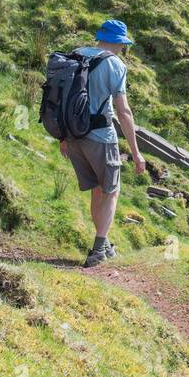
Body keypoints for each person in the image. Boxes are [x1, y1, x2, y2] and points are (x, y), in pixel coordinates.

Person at [59, 19, 146, 267]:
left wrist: (63, 137)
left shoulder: (76, 54)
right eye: (123, 44)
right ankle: (98, 250)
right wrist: (137, 153)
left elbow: (63, 97)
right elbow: (124, 112)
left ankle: (104, 244)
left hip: (74, 136)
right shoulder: (115, 64)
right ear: (118, 42)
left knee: (97, 189)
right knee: (111, 191)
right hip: (100, 136)